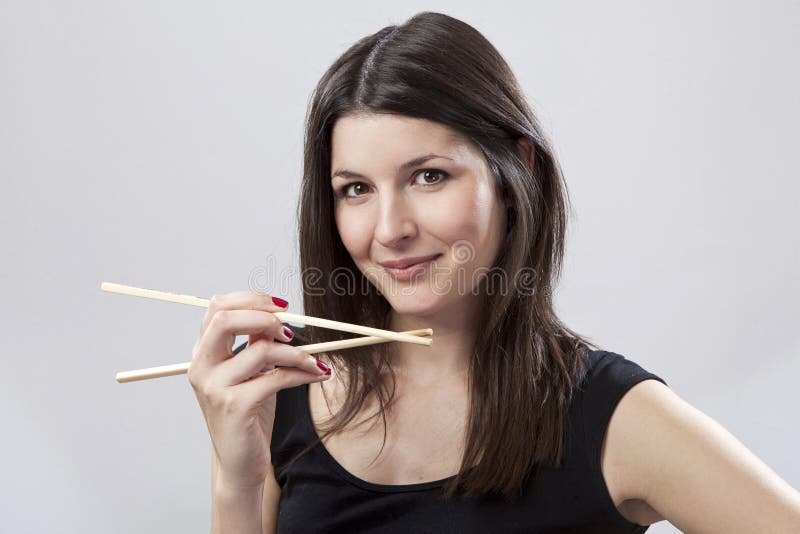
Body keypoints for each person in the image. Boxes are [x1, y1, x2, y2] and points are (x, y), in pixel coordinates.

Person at [187, 11, 800, 534]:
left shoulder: (607, 414)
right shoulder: (280, 381)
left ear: (517, 170)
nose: (389, 228)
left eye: (429, 176)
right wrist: (235, 481)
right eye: (355, 189)